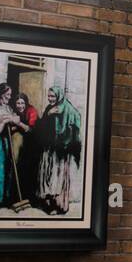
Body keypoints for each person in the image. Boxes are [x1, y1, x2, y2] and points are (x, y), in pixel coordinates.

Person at [35, 86, 82, 216]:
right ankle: (49, 204)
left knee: (58, 177)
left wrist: (66, 139)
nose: (50, 99)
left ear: (59, 96)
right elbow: (41, 127)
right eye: (49, 96)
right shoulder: (49, 109)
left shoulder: (68, 109)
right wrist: (48, 115)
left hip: (61, 150)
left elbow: (76, 123)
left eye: (53, 96)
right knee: (48, 176)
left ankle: (59, 206)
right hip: (49, 148)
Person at [0, 83, 28, 210]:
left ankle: (5, 198)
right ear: (1, 94)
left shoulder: (8, 108)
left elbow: (16, 119)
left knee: (8, 168)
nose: (10, 97)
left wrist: (10, 119)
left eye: (10, 94)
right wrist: (5, 120)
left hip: (6, 141)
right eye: (7, 94)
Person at [12, 92, 39, 204]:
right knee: (19, 168)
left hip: (33, 144)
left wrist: (18, 124)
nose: (20, 106)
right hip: (23, 144)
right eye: (18, 103)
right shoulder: (15, 111)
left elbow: (30, 129)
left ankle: (30, 198)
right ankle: (19, 197)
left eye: (22, 103)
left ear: (26, 103)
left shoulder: (32, 111)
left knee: (29, 170)